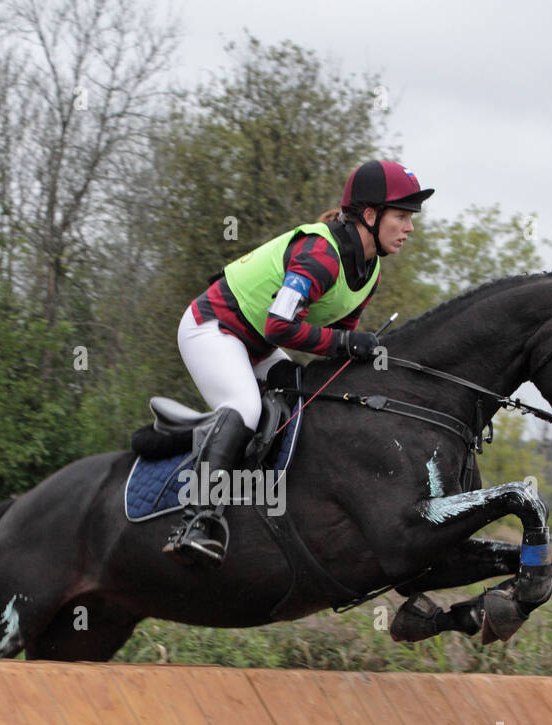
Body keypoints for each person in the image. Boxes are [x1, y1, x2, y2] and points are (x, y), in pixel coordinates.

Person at [163, 159, 434, 566]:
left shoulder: (369, 271)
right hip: (213, 328)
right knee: (246, 407)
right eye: (402, 216)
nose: (410, 227)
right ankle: (196, 520)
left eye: (410, 217)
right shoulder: (322, 254)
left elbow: (332, 346)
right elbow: (279, 325)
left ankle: (268, 505)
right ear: (371, 215)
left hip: (255, 343)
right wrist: (347, 342)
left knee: (308, 398)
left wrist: (358, 355)